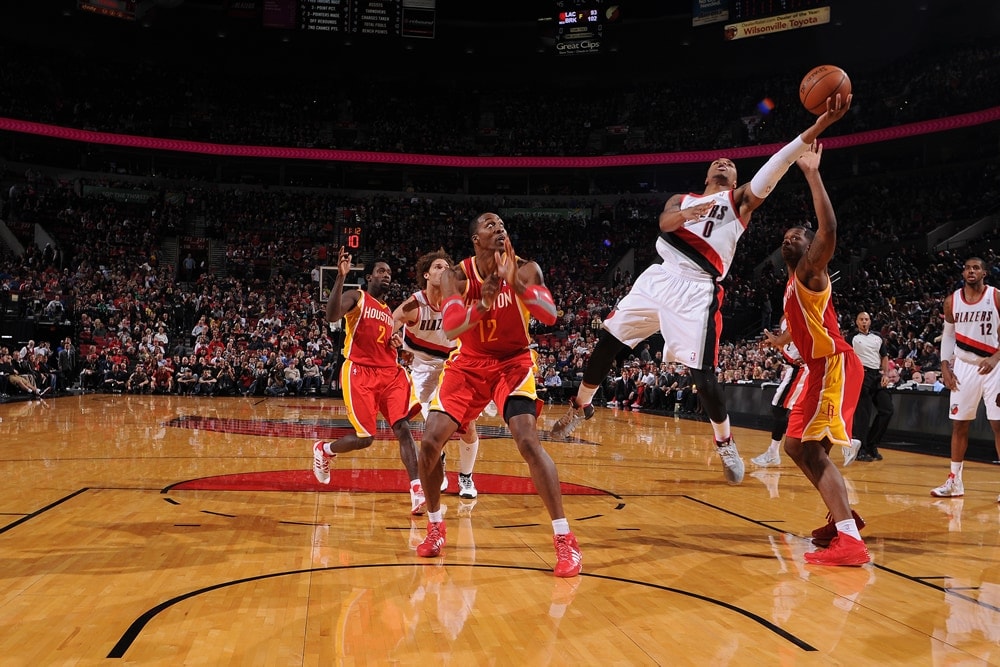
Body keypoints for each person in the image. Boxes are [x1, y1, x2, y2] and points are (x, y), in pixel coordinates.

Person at [551, 92, 854, 486]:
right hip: (659, 276)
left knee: (702, 373)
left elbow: (776, 164)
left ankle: (725, 442)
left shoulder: (740, 202)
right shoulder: (684, 198)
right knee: (608, 343)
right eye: (718, 161)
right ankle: (580, 406)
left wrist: (819, 127)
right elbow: (663, 224)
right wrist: (685, 214)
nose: (724, 162)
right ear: (707, 174)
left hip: (698, 288)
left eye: (730, 163)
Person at [413, 212, 582, 578]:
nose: (499, 227)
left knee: (527, 441)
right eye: (490, 224)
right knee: (428, 443)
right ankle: (436, 525)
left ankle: (565, 539)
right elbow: (453, 326)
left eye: (502, 224)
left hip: (513, 362)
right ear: (476, 239)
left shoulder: (526, 269)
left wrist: (515, 287)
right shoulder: (454, 276)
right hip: (469, 363)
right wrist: (484, 303)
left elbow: (550, 316)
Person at [767, 132, 869, 566]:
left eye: (799, 234)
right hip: (819, 368)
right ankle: (842, 517)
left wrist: (812, 174)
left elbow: (829, 228)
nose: (793, 236)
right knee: (794, 447)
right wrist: (783, 339)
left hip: (834, 367)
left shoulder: (811, 272)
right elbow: (807, 326)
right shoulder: (791, 286)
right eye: (787, 234)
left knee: (809, 449)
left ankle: (850, 542)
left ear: (811, 249)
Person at [311, 249, 424, 515]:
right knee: (366, 438)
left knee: (403, 428)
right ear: (370, 276)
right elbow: (331, 316)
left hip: (389, 373)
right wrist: (340, 277)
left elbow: (385, 343)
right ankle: (325, 449)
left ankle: (417, 490)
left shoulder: (388, 311)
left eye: (390, 273)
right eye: (381, 271)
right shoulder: (357, 297)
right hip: (360, 372)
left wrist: (395, 344)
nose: (387, 275)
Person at [392, 248, 485, 500]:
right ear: (426, 274)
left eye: (447, 268)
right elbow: (388, 323)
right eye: (438, 267)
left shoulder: (459, 300)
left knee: (467, 427)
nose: (443, 270)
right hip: (423, 370)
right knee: (434, 429)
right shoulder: (415, 304)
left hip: (456, 366)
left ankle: (466, 476)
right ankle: (440, 463)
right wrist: (392, 339)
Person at [931, 257, 1000, 502]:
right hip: (964, 367)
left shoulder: (996, 297)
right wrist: (945, 367)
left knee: (998, 424)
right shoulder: (952, 301)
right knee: (959, 424)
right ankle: (954, 481)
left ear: (985, 273)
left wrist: (995, 358)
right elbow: (948, 336)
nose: (971, 271)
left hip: (994, 366)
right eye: (967, 268)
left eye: (976, 268)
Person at [752, 317, 808, 468]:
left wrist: (812, 355)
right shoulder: (785, 317)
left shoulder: (805, 312)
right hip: (792, 368)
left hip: (800, 369)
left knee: (780, 409)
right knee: (782, 409)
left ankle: (773, 453)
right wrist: (777, 343)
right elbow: (788, 343)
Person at [848, 312, 894, 462]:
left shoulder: (877, 337)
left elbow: (884, 356)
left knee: (887, 410)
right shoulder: (851, 337)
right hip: (860, 374)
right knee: (863, 415)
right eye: (861, 319)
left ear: (870, 321)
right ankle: (859, 449)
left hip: (876, 375)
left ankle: (871, 444)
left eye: (866, 319)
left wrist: (886, 374)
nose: (864, 322)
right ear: (856, 322)